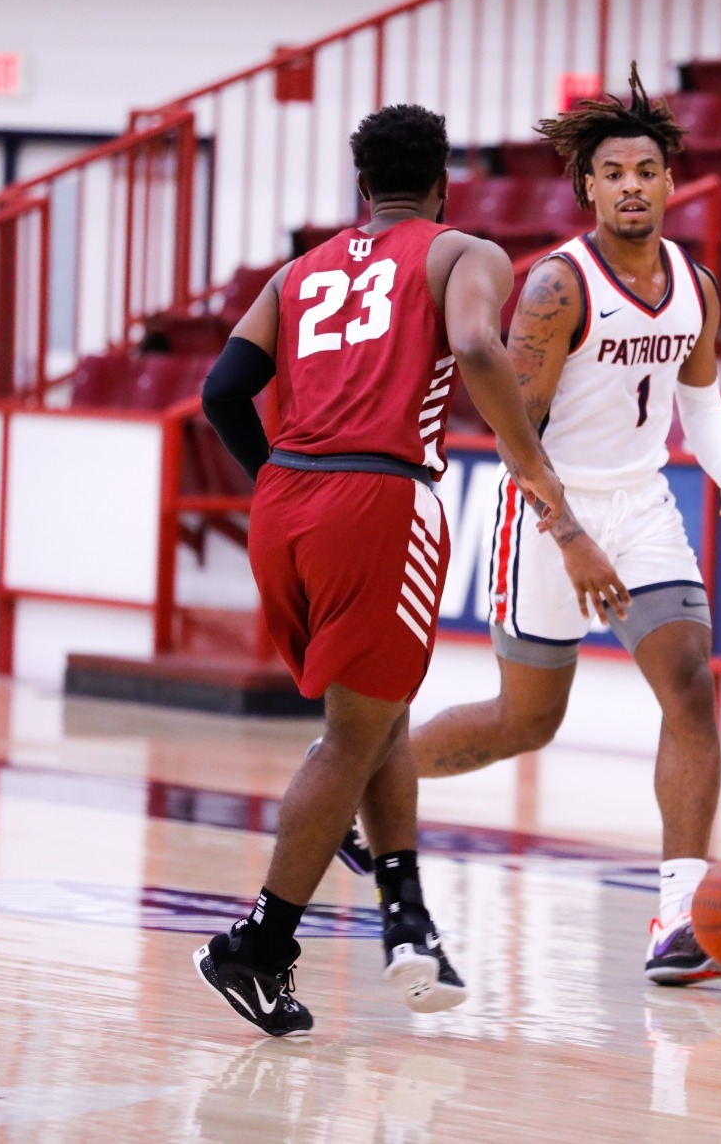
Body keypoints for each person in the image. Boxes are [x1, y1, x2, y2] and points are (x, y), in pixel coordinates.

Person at [194, 103, 564, 1036]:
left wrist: (277, 477)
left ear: (361, 185)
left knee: (377, 709)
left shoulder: (296, 272)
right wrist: (530, 462)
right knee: (349, 735)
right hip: (377, 499)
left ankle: (407, 916)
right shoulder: (462, 252)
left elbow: (222, 391)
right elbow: (475, 345)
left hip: (285, 503)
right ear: (444, 183)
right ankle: (258, 944)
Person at [408, 67, 721, 985]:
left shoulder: (695, 286)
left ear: (670, 182)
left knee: (690, 685)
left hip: (642, 503)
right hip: (546, 506)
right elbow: (513, 431)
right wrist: (568, 534)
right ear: (589, 188)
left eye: (647, 170)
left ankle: (680, 915)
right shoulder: (558, 288)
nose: (632, 186)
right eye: (614, 173)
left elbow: (699, 394)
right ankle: (371, 776)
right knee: (526, 722)